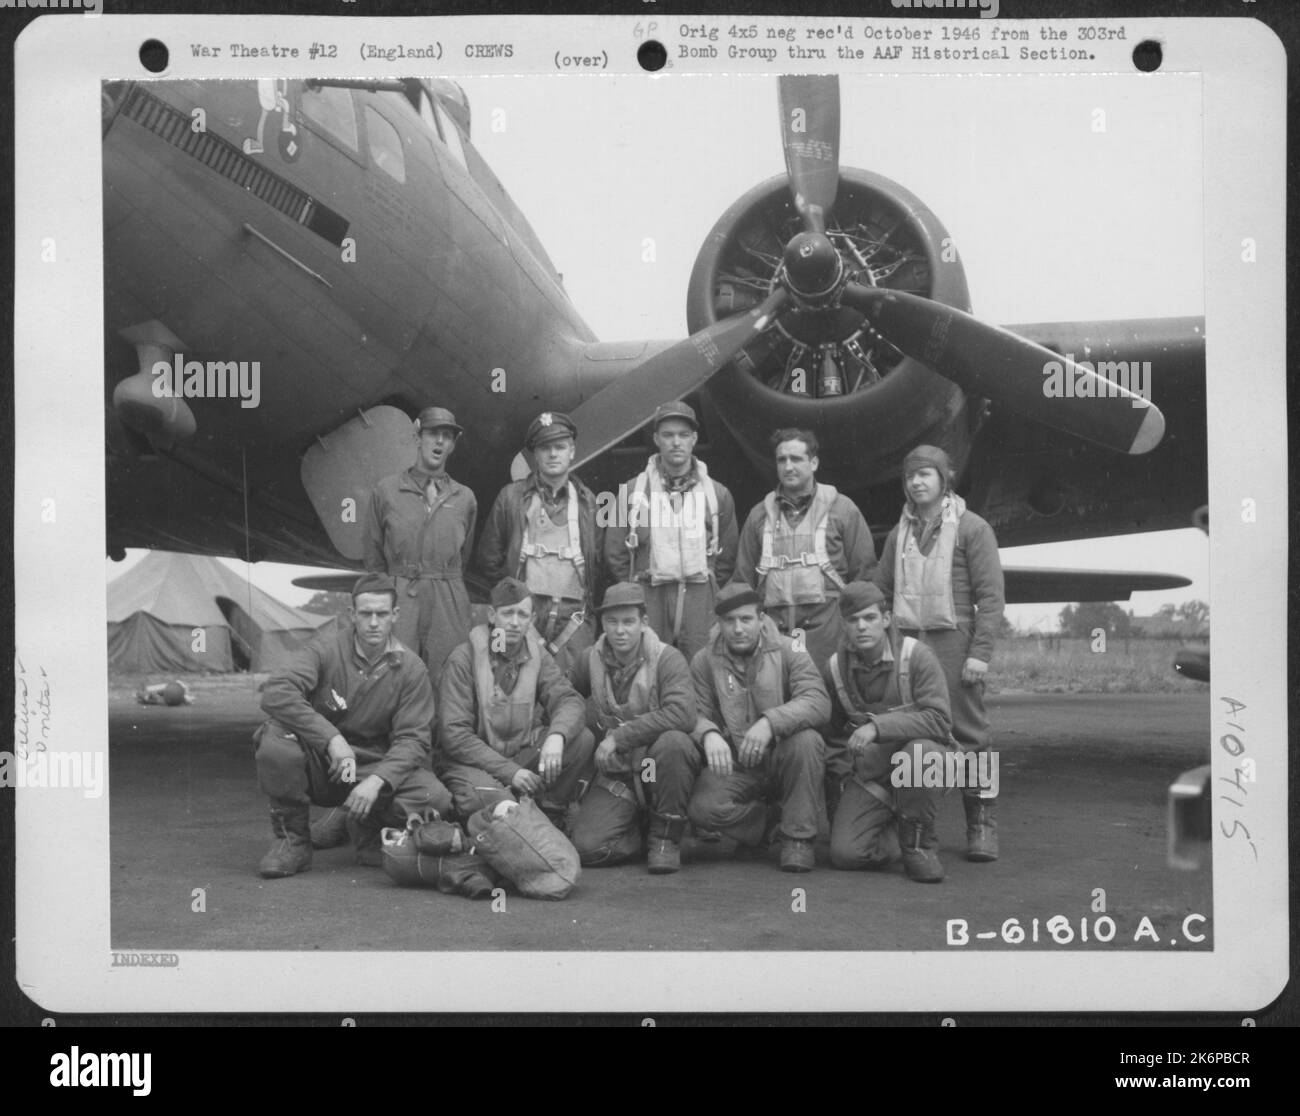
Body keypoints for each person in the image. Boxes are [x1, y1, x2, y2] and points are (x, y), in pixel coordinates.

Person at [254, 573, 451, 878]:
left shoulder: (411, 669)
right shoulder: (325, 648)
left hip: (370, 764)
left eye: (382, 614)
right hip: (325, 761)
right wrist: (331, 739)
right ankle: (292, 843)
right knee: (276, 740)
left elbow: (413, 739)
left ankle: (364, 824)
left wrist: (377, 782)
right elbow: (277, 692)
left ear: (395, 616)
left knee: (433, 796)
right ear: (352, 615)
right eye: (366, 614)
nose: (374, 623)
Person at [875, 444, 1005, 861]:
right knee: (913, 729)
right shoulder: (899, 534)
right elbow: (881, 591)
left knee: (971, 733)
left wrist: (979, 653)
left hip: (955, 642)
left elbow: (991, 597)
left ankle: (981, 823)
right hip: (909, 645)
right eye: (910, 476)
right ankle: (918, 825)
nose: (916, 482)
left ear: (944, 478)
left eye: (925, 474)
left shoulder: (973, 529)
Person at [687, 582, 830, 872]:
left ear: (761, 619)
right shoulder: (704, 660)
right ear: (720, 623)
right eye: (729, 621)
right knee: (702, 809)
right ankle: (768, 823)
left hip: (783, 757)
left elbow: (818, 701)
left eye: (746, 619)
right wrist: (709, 733)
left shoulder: (791, 648)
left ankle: (797, 839)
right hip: (739, 764)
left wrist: (770, 722)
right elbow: (692, 713)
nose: (738, 628)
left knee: (807, 740)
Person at [436, 577, 595, 825]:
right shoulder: (463, 659)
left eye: (522, 615)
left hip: (518, 755)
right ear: (491, 615)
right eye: (507, 613)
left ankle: (549, 811)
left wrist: (556, 735)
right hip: (472, 763)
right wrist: (511, 772)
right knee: (491, 799)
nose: (514, 622)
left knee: (581, 740)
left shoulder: (536, 654)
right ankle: (508, 807)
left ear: (531, 620)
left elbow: (568, 699)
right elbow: (454, 735)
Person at [823, 582, 953, 882]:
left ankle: (919, 844)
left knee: (919, 754)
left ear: (886, 619)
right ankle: (895, 830)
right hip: (874, 775)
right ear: (844, 625)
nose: (862, 627)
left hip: (924, 762)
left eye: (869, 618)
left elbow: (939, 720)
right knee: (846, 854)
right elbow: (831, 736)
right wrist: (842, 780)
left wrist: (877, 727)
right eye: (853, 620)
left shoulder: (917, 656)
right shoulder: (835, 668)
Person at [566, 582, 701, 873]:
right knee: (588, 848)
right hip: (620, 775)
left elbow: (683, 714)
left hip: (657, 767)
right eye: (612, 622)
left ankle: (666, 837)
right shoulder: (589, 658)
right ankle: (638, 834)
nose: (620, 630)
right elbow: (563, 698)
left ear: (644, 622)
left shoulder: (667, 658)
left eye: (629, 621)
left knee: (675, 742)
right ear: (602, 623)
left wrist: (619, 737)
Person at [606, 401, 739, 662]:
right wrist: (636, 591)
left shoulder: (718, 495)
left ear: (694, 439)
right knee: (648, 667)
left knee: (701, 667)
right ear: (656, 439)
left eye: (683, 435)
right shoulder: (632, 492)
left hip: (698, 597)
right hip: (649, 594)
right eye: (668, 435)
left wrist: (708, 590)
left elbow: (727, 554)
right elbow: (615, 553)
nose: (676, 442)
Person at [733, 428, 877, 669]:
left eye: (796, 459)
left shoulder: (842, 510)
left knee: (831, 695)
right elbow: (743, 580)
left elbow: (865, 576)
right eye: (782, 460)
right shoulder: (759, 515)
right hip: (774, 631)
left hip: (829, 633)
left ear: (814, 462)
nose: (788, 467)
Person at [475, 411, 603, 676]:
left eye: (560, 447)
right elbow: (488, 558)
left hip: (574, 618)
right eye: (545, 448)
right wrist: (513, 600)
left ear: (572, 451)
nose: (553, 454)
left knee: (572, 691)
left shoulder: (588, 502)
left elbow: (597, 559)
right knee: (515, 682)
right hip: (523, 613)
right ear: (535, 454)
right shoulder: (510, 497)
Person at [363, 406, 476, 689]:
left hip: (447, 594)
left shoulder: (465, 498)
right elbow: (374, 556)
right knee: (395, 672)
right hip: (401, 592)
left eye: (447, 436)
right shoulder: (386, 491)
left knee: (449, 673)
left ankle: (444, 734)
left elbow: (465, 555)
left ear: (452, 445)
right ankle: (402, 734)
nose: (439, 442)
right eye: (432, 434)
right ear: (417, 437)